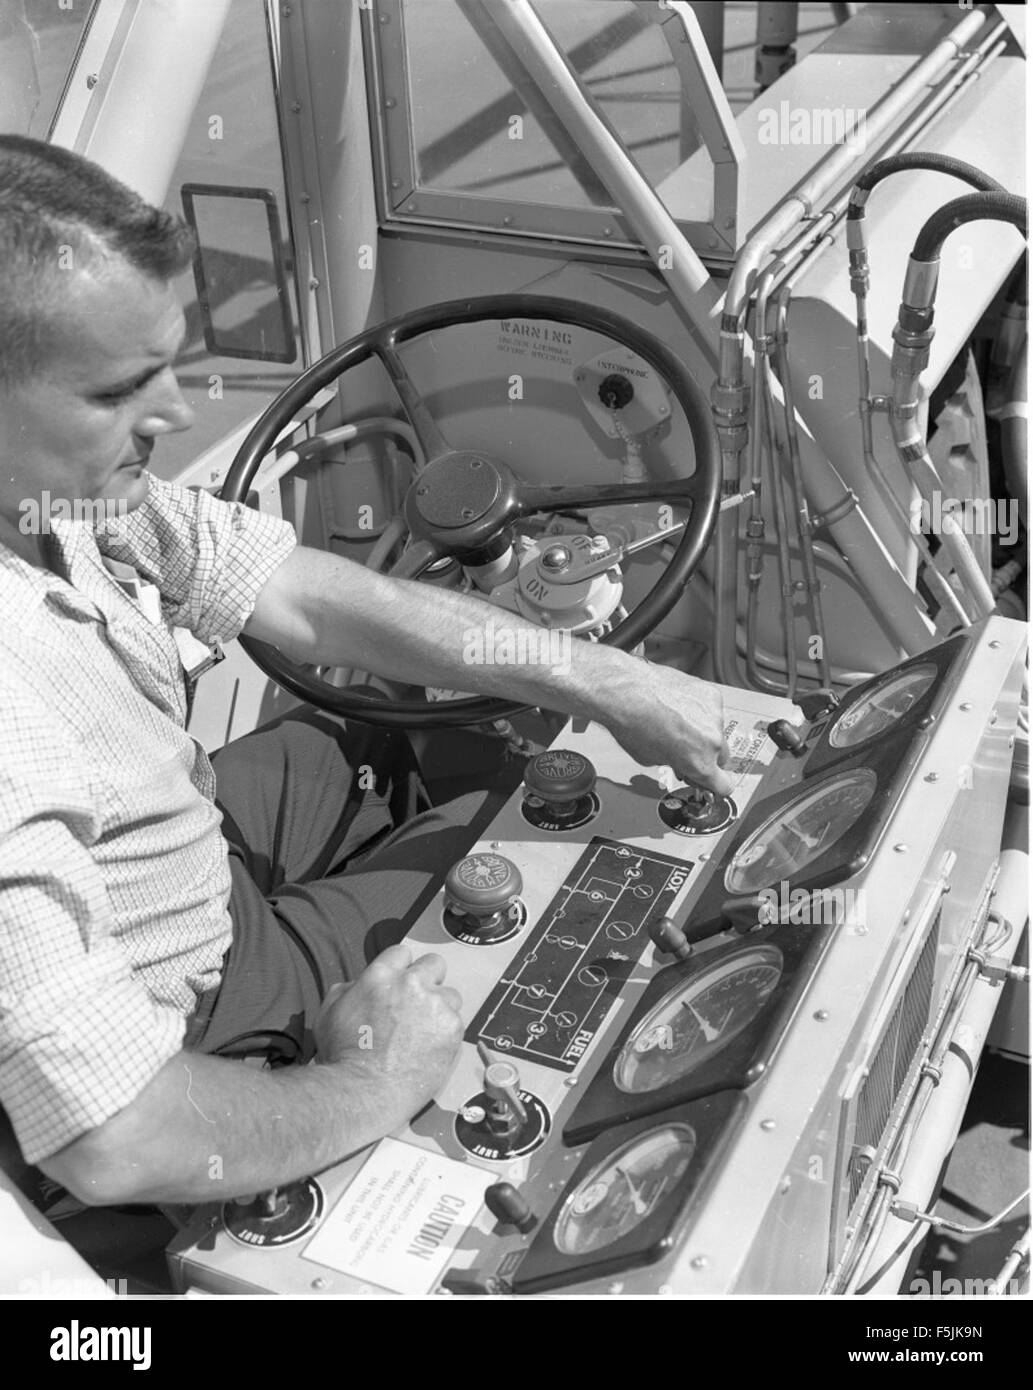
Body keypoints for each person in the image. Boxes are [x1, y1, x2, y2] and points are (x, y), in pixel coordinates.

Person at [0, 135, 730, 1208]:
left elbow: (292, 590)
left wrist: (601, 679)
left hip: (176, 821)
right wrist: (374, 1075)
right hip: (191, 992)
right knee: (514, 849)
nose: (180, 413)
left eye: (171, 362)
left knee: (402, 732)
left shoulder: (62, 498)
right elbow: (114, 1135)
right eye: (122, 389)